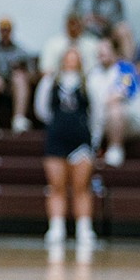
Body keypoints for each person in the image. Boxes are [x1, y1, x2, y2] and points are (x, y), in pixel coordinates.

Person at [34, 48, 96, 248]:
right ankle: (56, 228)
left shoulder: (88, 83)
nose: (70, 61)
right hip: (56, 139)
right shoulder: (50, 82)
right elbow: (41, 110)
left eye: (74, 58)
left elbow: (97, 113)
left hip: (80, 141)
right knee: (56, 186)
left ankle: (84, 229)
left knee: (81, 186)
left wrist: (93, 138)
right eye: (67, 58)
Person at [85, 38, 140, 167]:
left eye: (106, 50)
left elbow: (117, 95)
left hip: (129, 119)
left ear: (115, 52)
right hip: (100, 118)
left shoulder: (125, 69)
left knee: (114, 107)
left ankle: (115, 148)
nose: (102, 54)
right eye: (100, 52)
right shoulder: (93, 74)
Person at [69, 0, 133, 59]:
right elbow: (71, 19)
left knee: (124, 30)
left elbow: (118, 23)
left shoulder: (114, 0)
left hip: (106, 36)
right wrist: (84, 22)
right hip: (84, 35)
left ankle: (127, 66)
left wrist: (101, 21)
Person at [39, 12, 97, 77]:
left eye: (77, 24)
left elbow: (95, 70)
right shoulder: (52, 44)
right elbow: (45, 70)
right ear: (65, 25)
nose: (74, 28)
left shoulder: (92, 45)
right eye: (71, 24)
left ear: (82, 25)